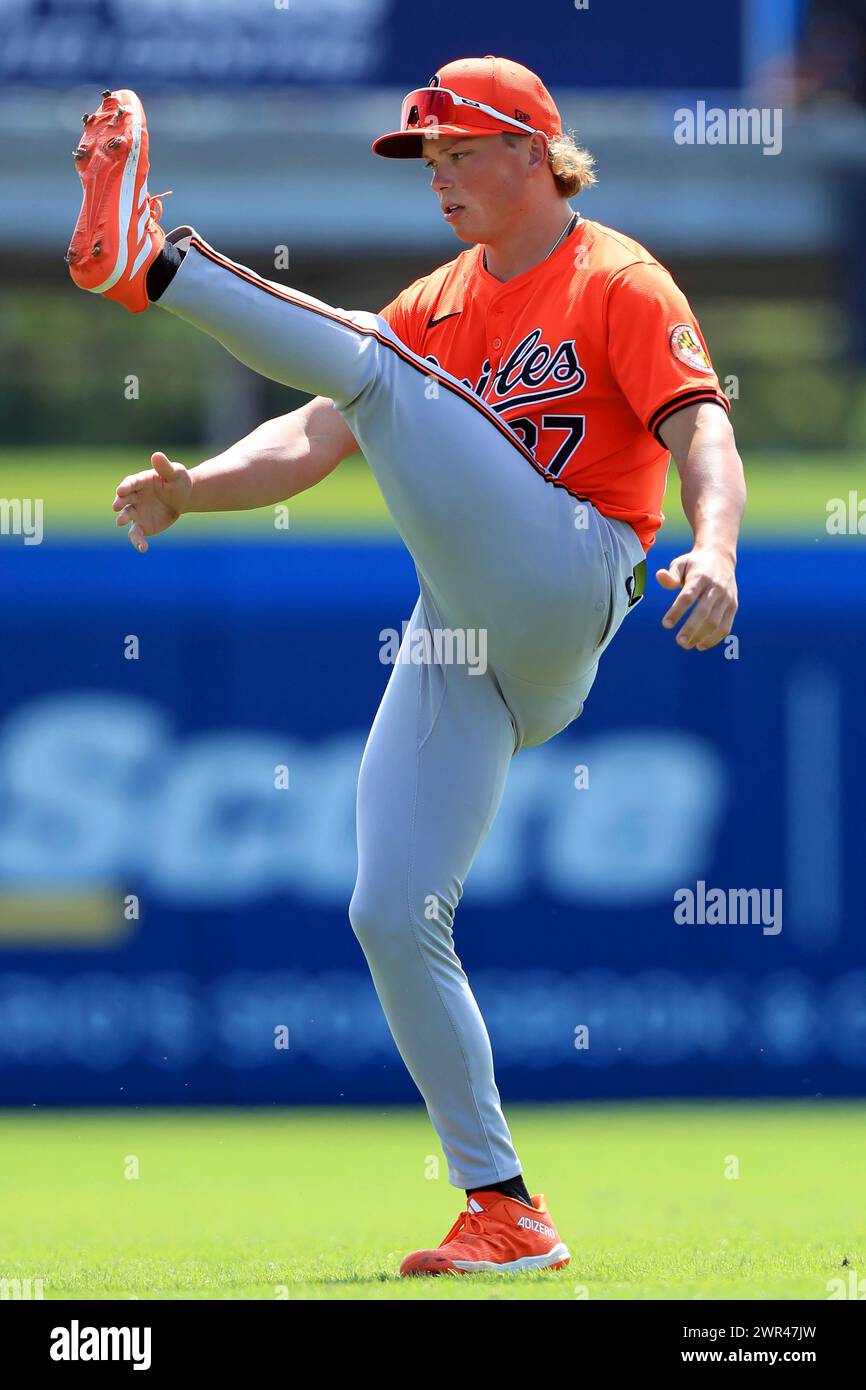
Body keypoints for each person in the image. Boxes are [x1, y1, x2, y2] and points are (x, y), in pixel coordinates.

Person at [67, 57, 745, 1277]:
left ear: (535, 154)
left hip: (573, 575)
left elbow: (702, 424)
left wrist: (717, 547)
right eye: (425, 160)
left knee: (373, 357)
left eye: (460, 152)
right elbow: (318, 430)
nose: (439, 179)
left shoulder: (617, 278)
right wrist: (195, 489)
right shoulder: (436, 302)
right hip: (464, 636)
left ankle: (150, 259)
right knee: (389, 909)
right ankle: (504, 1204)